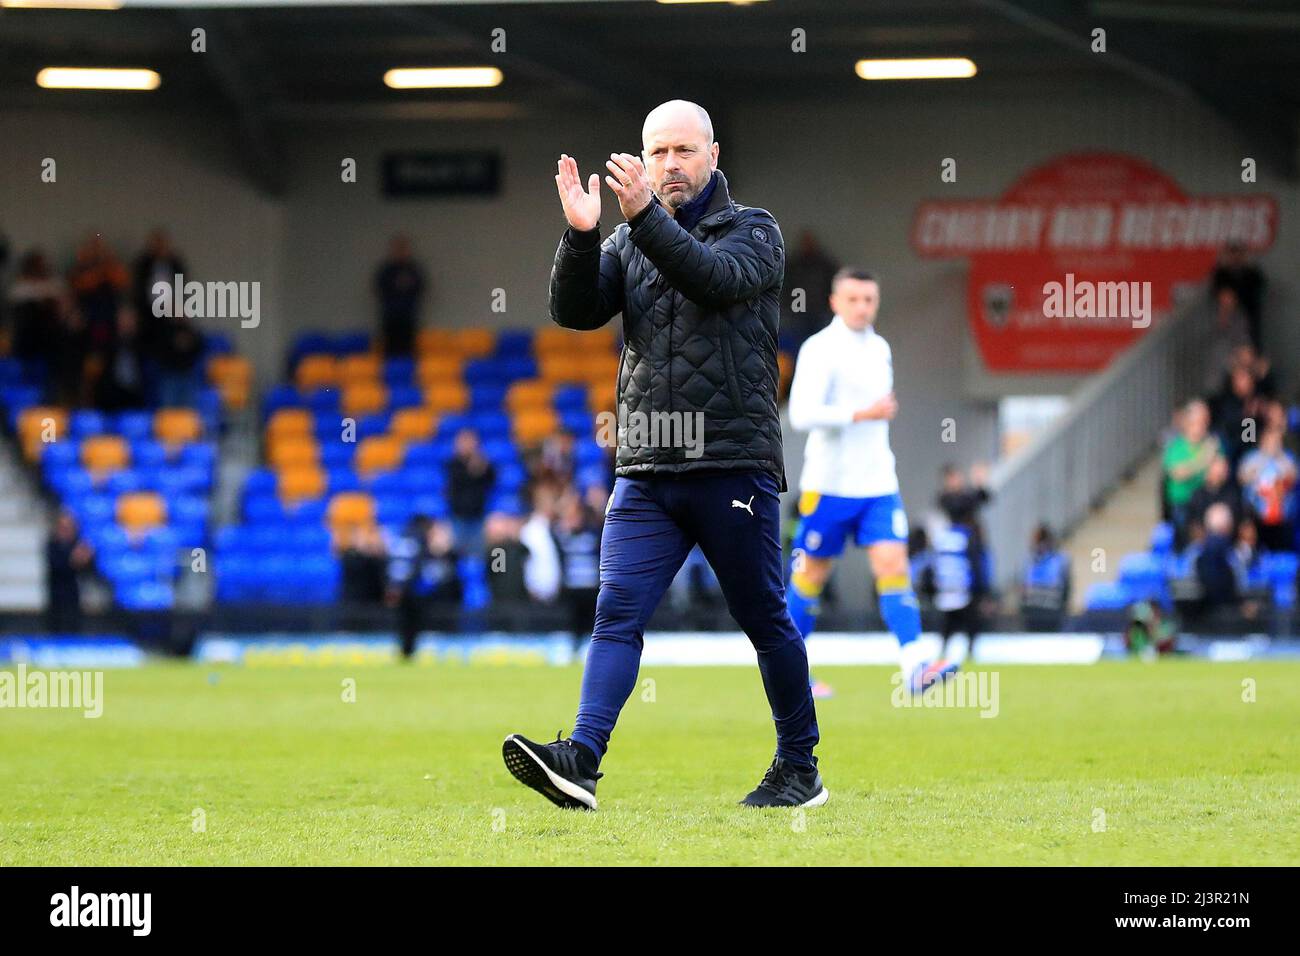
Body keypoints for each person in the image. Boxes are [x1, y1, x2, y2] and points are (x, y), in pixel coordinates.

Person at [502, 99, 824, 811]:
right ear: (643, 160)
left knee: (764, 617)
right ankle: (581, 759)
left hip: (730, 459)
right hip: (647, 461)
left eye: (683, 151)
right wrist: (584, 237)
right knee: (616, 611)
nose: (670, 165)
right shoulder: (627, 239)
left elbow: (710, 278)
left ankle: (800, 769)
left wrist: (642, 217)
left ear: (713, 154)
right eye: (657, 153)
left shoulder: (755, 231)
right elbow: (576, 312)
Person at [784, 267, 954, 697]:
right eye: (854, 299)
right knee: (809, 578)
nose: (862, 307)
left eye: (869, 300)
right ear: (835, 303)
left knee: (894, 568)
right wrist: (860, 414)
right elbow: (801, 413)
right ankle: (789, 673)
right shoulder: (820, 349)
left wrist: (874, 415)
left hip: (878, 483)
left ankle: (915, 664)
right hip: (829, 486)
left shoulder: (880, 348)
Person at [386, 516, 461, 659]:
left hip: (403, 589)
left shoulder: (401, 539)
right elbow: (423, 568)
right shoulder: (421, 542)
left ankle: (407, 651)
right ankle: (411, 651)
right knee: (413, 621)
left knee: (406, 623)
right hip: (417, 591)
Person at [1163, 399, 1222, 544]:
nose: (1200, 427)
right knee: (1184, 537)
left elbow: (1219, 471)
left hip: (1207, 500)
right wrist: (1204, 461)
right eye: (1196, 423)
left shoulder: (1211, 443)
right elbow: (1178, 474)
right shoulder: (1176, 446)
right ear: (1188, 425)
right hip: (1183, 501)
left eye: (1203, 423)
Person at [552, 489, 602, 651]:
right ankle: (574, 650)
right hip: (572, 587)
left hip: (591, 586)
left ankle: (592, 651)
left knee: (593, 623)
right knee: (574, 623)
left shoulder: (593, 532)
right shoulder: (561, 534)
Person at [1237, 426, 1297, 552]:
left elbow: (1294, 477)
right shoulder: (1252, 458)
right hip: (1256, 510)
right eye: (1270, 440)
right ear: (1263, 441)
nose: (1274, 444)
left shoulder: (1287, 458)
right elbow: (1242, 477)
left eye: (1277, 441)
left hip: (1282, 511)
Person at [446, 428, 496, 557]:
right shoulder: (452, 464)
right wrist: (473, 470)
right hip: (458, 517)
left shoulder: (484, 463)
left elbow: (491, 480)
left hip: (478, 517)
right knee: (457, 556)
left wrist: (480, 466)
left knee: (480, 555)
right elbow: (458, 480)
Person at [373, 235, 425, 358]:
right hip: (390, 315)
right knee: (390, 349)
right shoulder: (386, 270)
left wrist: (407, 285)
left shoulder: (413, 269)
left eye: (403, 249)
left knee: (408, 349)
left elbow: (420, 287)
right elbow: (380, 288)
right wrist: (395, 285)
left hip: (408, 315)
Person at [46, 511, 94, 633]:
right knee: (56, 625)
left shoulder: (77, 543)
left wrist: (84, 559)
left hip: (74, 593)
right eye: (63, 527)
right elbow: (57, 565)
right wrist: (74, 560)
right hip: (56, 592)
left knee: (73, 624)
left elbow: (87, 567)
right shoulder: (52, 544)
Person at [1021, 524, 1070, 629]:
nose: (1039, 546)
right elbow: (1024, 588)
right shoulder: (1028, 560)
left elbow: (1066, 588)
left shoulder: (1060, 560)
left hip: (1052, 611)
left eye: (1042, 542)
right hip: (1032, 611)